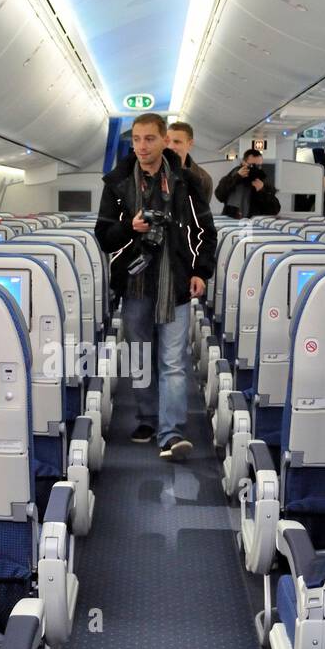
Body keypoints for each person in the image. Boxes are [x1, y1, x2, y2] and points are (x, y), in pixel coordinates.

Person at [96, 113, 216, 460]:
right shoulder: (117, 182)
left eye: (149, 139)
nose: (142, 146)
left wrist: (200, 271)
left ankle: (171, 433)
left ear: (165, 140)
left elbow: (204, 231)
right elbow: (104, 237)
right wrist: (130, 229)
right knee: (140, 357)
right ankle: (147, 417)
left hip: (174, 282)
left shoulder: (186, 181)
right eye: (136, 139)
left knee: (173, 361)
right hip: (134, 283)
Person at [214, 149, 278, 219]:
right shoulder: (233, 176)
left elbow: (274, 210)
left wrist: (263, 190)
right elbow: (219, 195)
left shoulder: (264, 181)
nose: (255, 169)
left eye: (259, 166)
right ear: (244, 163)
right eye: (252, 165)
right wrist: (236, 178)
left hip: (254, 224)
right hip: (232, 222)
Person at [167, 121, 213, 206]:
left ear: (190, 144)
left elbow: (201, 215)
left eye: (177, 142)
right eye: (167, 142)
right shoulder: (151, 172)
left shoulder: (203, 179)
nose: (170, 146)